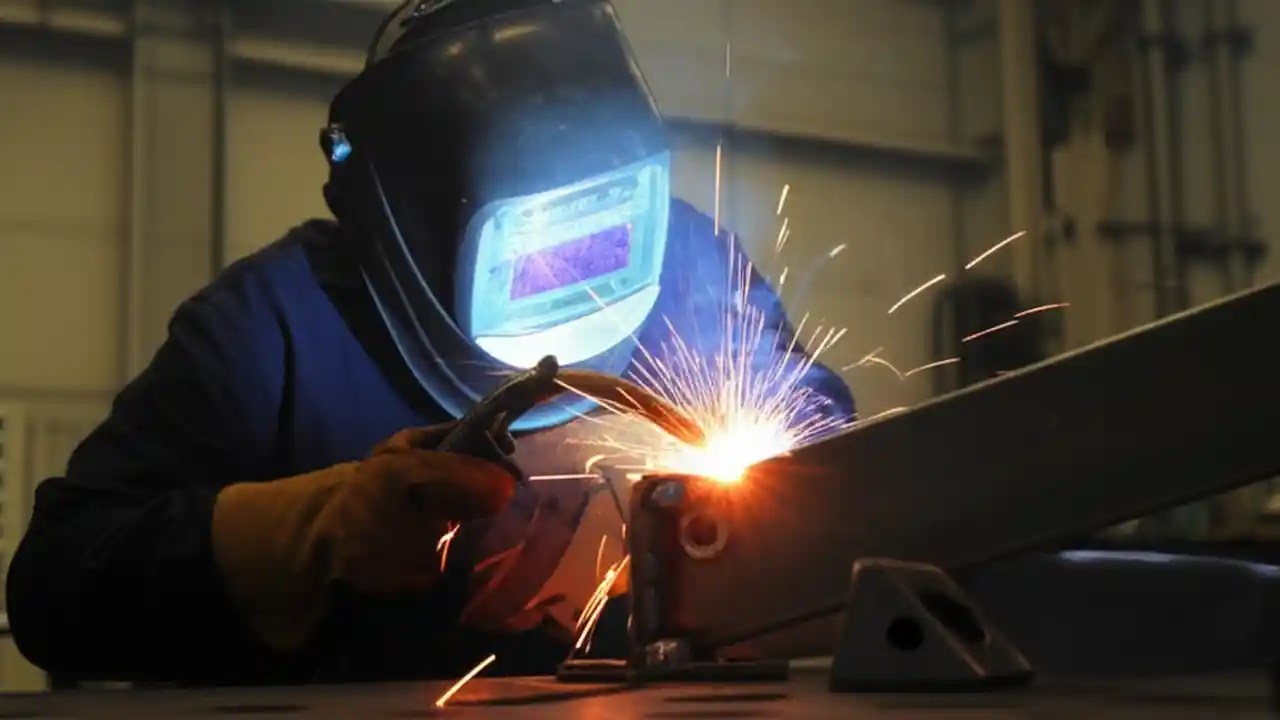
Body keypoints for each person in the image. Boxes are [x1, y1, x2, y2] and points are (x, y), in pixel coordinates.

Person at [5, 0, 854, 686]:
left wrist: (713, 523)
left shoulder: (690, 263)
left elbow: (818, 439)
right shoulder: (274, 331)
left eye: (608, 231)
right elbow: (52, 588)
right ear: (408, 222)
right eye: (531, 250)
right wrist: (317, 532)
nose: (578, 288)